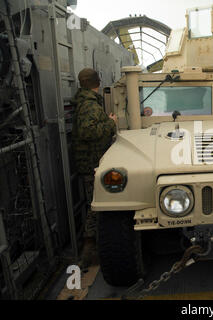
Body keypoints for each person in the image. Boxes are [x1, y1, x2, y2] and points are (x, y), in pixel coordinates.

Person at [72, 68, 117, 267]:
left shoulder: (84, 102)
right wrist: (110, 123)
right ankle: (89, 251)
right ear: (97, 82)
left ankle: (92, 247)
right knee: (95, 205)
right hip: (91, 162)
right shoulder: (89, 105)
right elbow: (89, 132)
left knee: (94, 203)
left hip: (88, 160)